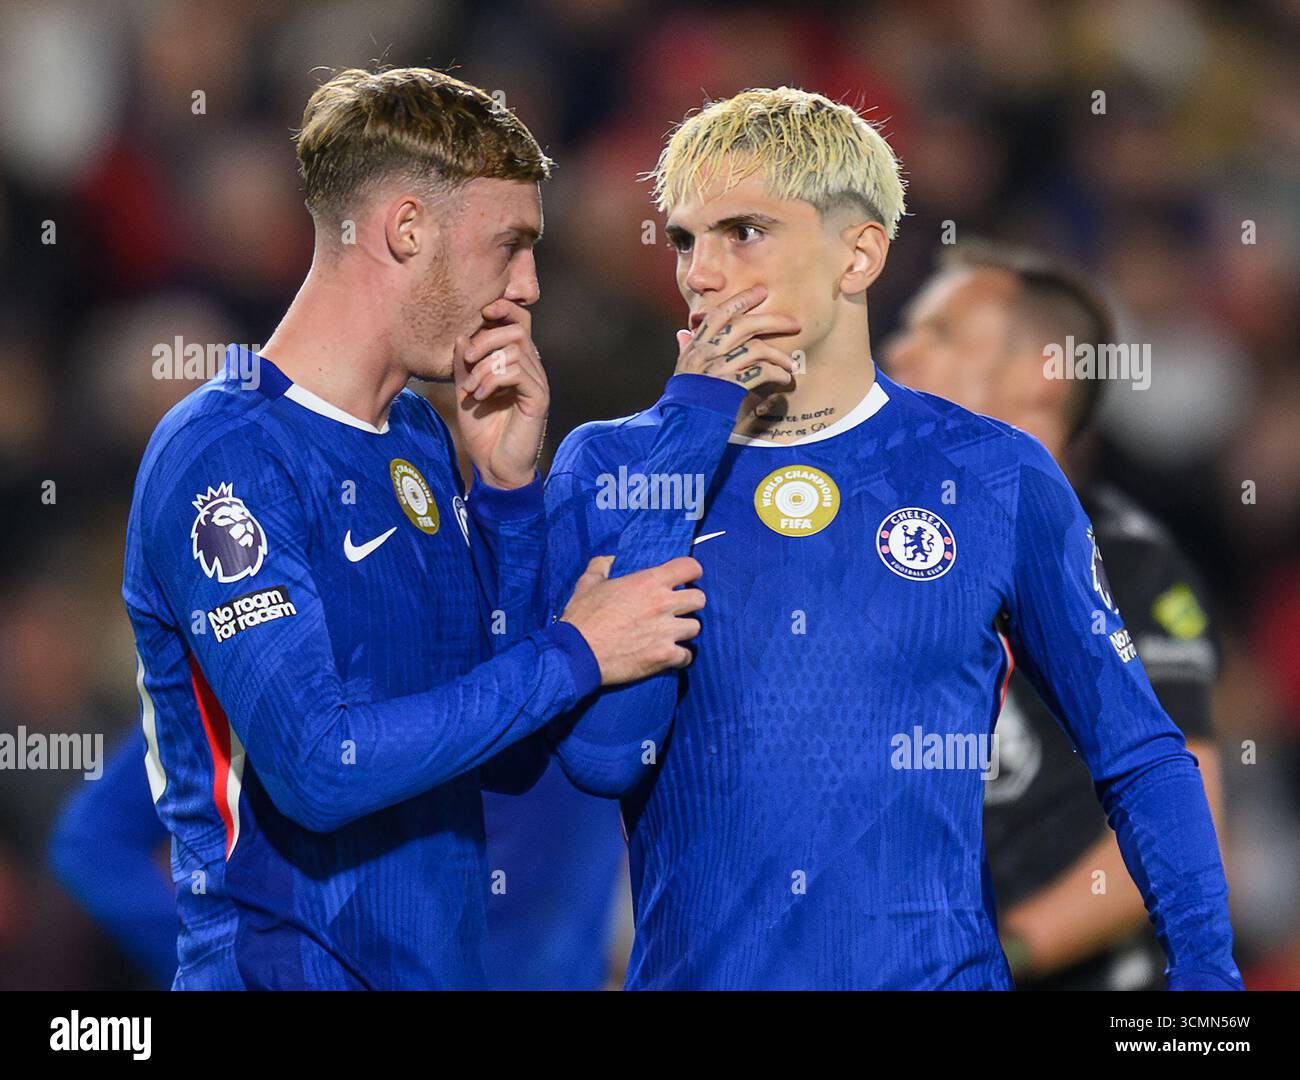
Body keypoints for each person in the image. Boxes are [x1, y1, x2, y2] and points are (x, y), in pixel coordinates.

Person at [540, 87, 1242, 990]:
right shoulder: (607, 464)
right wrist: (692, 423)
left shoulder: (997, 474)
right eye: (685, 239)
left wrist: (1209, 986)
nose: (700, 273)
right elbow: (603, 755)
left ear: (859, 253)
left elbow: (1142, 755)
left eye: (743, 232)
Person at [122, 66, 704, 990]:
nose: (530, 287)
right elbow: (320, 768)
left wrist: (508, 497)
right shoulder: (223, 456)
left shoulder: (420, 440)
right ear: (404, 229)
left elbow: (503, 753)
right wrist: (578, 650)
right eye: (510, 245)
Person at [884, 242, 1226, 990]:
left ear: (1044, 374)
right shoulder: (889, 543)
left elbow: (1184, 816)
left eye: (938, 334)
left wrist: (1005, 957)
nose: (896, 351)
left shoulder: (1130, 566)